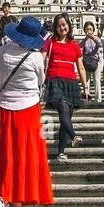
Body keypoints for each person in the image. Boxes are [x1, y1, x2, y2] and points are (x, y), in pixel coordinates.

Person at [0, 16, 54, 207]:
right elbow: (41, 81)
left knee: (5, 154)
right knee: (26, 155)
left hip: (5, 107)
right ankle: (16, 204)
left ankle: (5, 197)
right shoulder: (35, 58)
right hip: (28, 108)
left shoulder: (3, 52)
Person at [43, 13, 88, 162]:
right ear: (55, 28)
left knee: (66, 117)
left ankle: (61, 152)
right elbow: (41, 59)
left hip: (71, 82)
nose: (62, 27)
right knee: (62, 108)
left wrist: (85, 87)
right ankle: (74, 135)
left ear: (69, 25)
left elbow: (81, 68)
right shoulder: (50, 42)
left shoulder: (74, 45)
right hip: (54, 79)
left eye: (64, 24)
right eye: (59, 25)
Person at [80, 21, 103, 102]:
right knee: (86, 81)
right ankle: (87, 97)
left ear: (93, 30)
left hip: (95, 61)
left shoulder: (96, 39)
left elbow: (100, 44)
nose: (89, 31)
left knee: (97, 80)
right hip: (86, 62)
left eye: (90, 29)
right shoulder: (84, 40)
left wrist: (92, 37)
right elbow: (80, 46)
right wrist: (86, 38)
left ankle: (98, 98)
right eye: (87, 29)